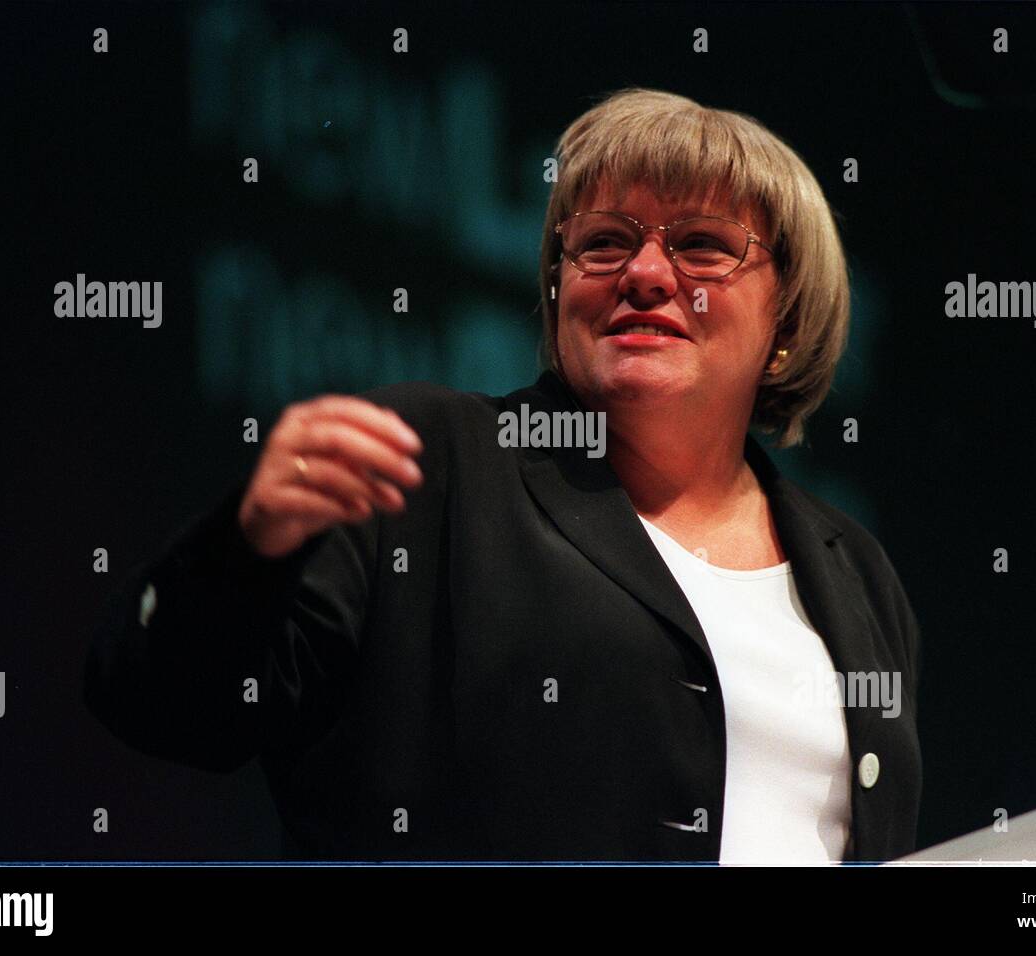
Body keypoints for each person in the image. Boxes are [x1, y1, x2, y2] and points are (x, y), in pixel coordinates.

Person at [85, 87, 922, 864]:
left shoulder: (854, 570)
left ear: (788, 318)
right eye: (603, 242)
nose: (645, 274)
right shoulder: (427, 461)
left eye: (702, 246)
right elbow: (163, 703)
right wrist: (242, 553)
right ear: (560, 291)